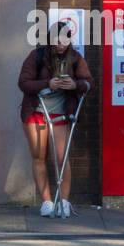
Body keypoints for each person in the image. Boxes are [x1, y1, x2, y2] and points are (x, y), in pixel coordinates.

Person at [18, 22, 93, 218]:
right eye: (58, 40)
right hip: (37, 111)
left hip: (60, 114)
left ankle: (64, 202)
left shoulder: (75, 58)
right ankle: (47, 202)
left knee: (61, 158)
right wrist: (47, 83)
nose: (61, 44)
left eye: (66, 39)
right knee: (38, 156)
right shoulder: (37, 56)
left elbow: (89, 84)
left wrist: (75, 85)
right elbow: (23, 83)